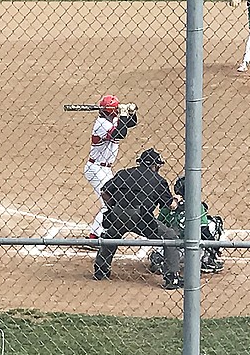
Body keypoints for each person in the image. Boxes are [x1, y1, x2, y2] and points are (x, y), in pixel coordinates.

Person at [94, 148, 184, 290]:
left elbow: (104, 192)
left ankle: (101, 270)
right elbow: (170, 206)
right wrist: (176, 199)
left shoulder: (123, 174)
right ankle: (171, 278)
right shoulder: (159, 180)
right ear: (155, 165)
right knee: (170, 236)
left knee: (111, 235)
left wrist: (113, 207)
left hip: (118, 214)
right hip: (141, 218)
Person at [83, 95, 138, 244]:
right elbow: (120, 133)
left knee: (113, 201)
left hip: (104, 169)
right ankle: (95, 236)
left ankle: (100, 233)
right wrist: (124, 114)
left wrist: (131, 113)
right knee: (109, 202)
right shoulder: (102, 124)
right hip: (96, 168)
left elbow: (130, 123)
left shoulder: (110, 119)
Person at [148, 174, 225, 275]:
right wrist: (215, 248)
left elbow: (157, 227)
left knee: (163, 230)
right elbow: (204, 232)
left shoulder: (167, 206)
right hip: (193, 253)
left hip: (171, 252)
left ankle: (159, 257)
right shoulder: (197, 206)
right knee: (215, 222)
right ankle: (207, 260)